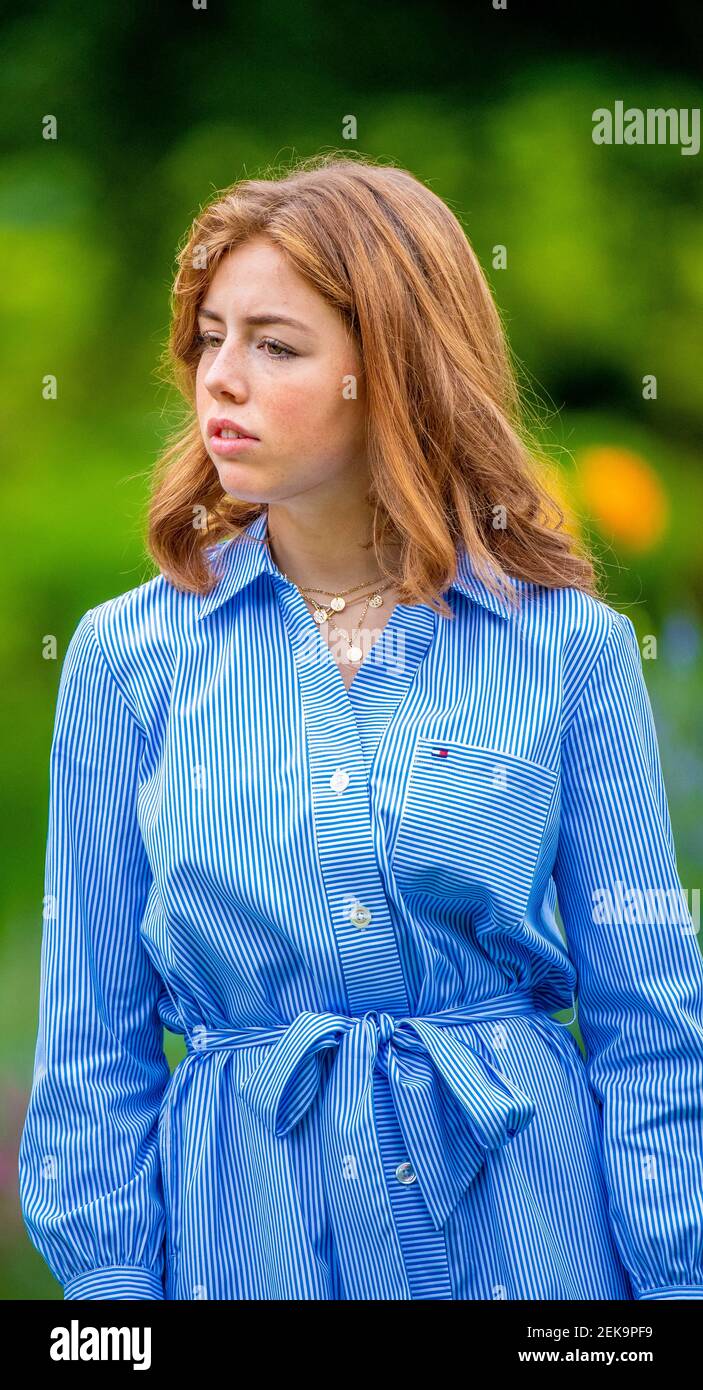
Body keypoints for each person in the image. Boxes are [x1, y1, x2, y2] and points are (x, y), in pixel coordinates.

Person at [18, 153, 703, 1301]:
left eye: (276, 346)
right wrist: (113, 1304)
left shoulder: (568, 652)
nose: (219, 379)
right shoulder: (127, 660)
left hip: (532, 1255)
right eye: (210, 337)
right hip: (252, 1246)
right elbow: (91, 1048)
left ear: (395, 369)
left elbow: (651, 1027)